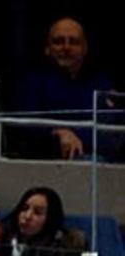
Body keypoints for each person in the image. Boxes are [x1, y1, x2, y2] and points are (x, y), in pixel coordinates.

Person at [14, 17, 116, 161]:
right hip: (47, 163)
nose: (66, 47)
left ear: (85, 48)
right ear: (47, 48)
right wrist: (57, 132)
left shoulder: (101, 83)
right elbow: (24, 127)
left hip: (100, 163)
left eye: (74, 42)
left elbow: (111, 133)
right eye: (58, 42)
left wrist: (75, 134)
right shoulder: (32, 82)